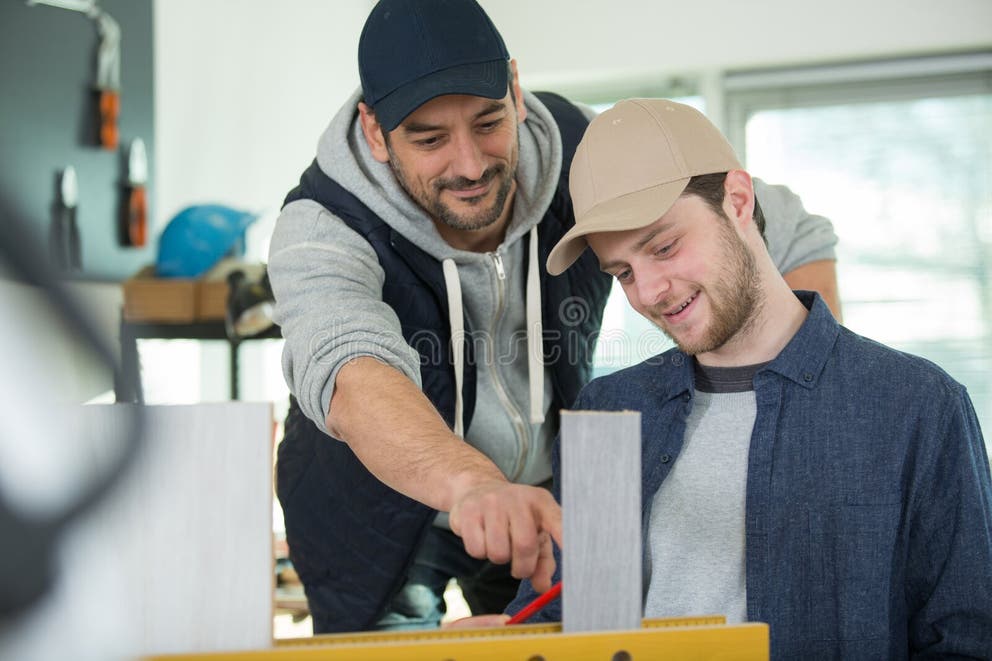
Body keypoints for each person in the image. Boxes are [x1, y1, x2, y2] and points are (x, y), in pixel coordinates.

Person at [268, 0, 842, 634]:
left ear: (515, 90)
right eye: (429, 140)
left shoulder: (582, 149)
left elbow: (789, 231)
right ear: (375, 131)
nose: (470, 164)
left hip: (543, 499)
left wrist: (817, 412)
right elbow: (352, 371)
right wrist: (473, 487)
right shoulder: (322, 224)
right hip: (373, 512)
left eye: (488, 122)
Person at [503, 98, 992, 658]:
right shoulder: (610, 410)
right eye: (623, 273)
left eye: (664, 247)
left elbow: (967, 640)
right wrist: (506, 642)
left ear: (737, 200)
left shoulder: (917, 408)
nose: (649, 292)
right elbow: (577, 619)